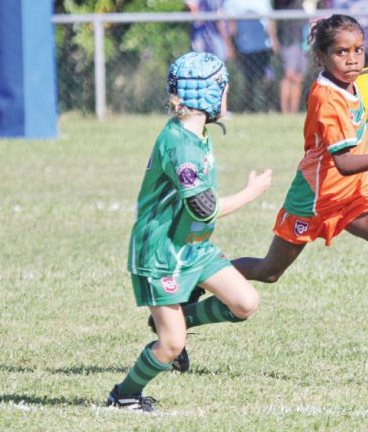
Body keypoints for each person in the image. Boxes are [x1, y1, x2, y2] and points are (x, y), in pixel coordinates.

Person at [232, 14, 368, 374]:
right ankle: (206, 276)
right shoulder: (325, 97)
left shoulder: (353, 86)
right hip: (315, 198)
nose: (352, 59)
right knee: (269, 271)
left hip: (355, 194)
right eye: (341, 52)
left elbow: (354, 139)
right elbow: (345, 163)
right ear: (320, 56)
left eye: (358, 50)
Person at [106, 52, 272, 412]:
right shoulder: (180, 144)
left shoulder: (197, 133)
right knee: (171, 345)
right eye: (222, 88)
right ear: (209, 94)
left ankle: (174, 318)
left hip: (194, 247)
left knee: (245, 303)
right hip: (161, 253)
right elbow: (204, 208)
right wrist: (251, 193)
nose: (227, 94)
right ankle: (125, 395)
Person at [223, 0, 280, 112]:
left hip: (263, 45)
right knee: (249, 80)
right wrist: (232, 45)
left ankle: (270, 107)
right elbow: (232, 24)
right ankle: (250, 107)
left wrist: (273, 39)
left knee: (267, 78)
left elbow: (269, 21)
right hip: (245, 47)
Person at [275, 0, 310, 114]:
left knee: (298, 77)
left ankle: (294, 112)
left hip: (302, 37)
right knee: (288, 76)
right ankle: (285, 111)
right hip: (289, 38)